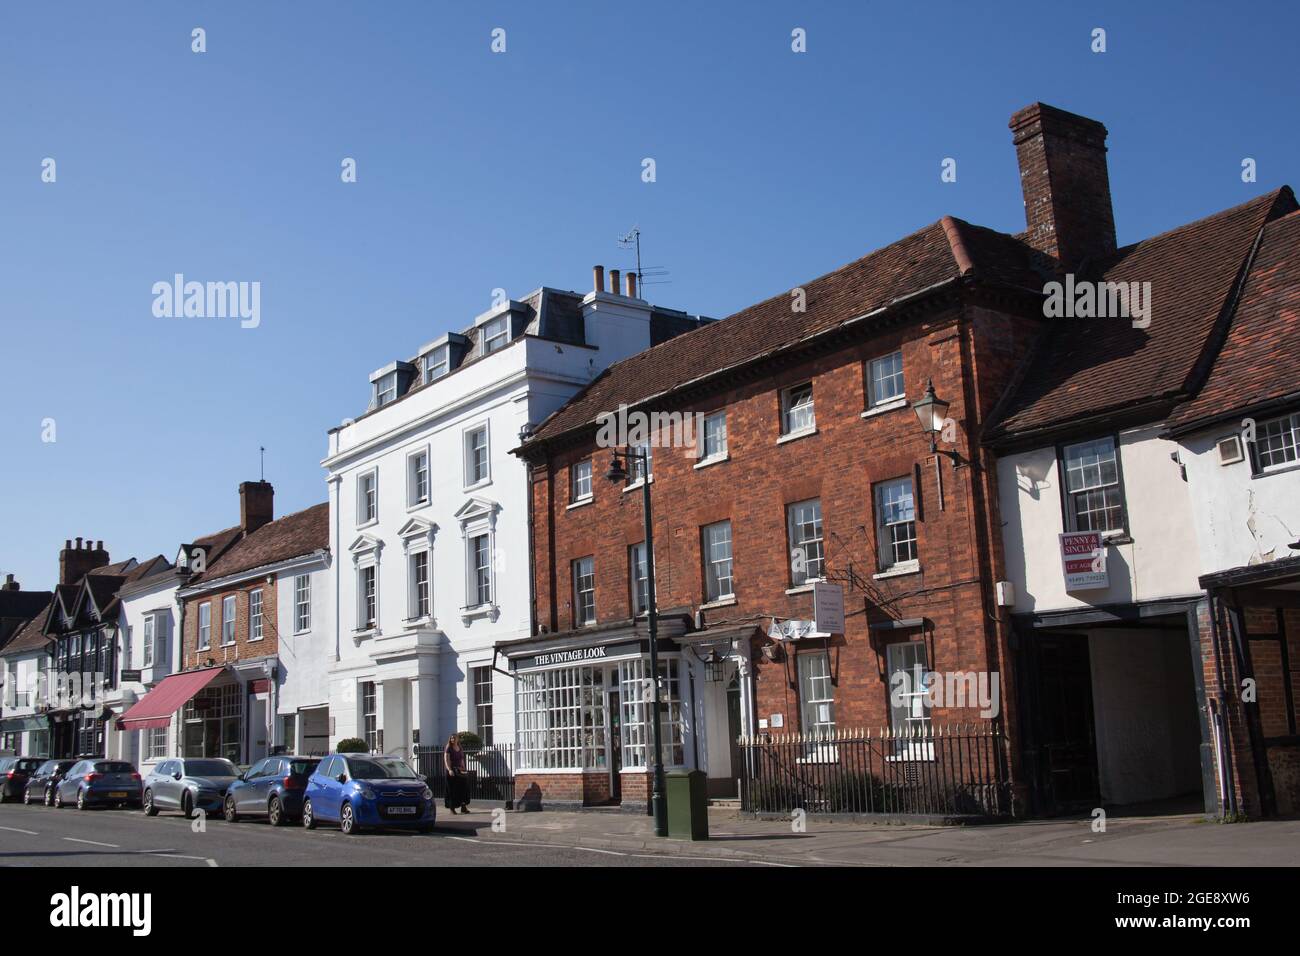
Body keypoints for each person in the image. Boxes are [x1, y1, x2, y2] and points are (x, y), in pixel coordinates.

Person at [443, 734, 470, 814]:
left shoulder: (460, 747)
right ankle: (452, 808)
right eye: (451, 738)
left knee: (463, 789)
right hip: (452, 772)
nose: (453, 739)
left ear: (457, 739)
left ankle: (463, 807)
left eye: (454, 738)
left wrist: (464, 768)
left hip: (460, 771)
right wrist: (449, 769)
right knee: (452, 790)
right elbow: (446, 759)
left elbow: (461, 759)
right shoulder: (448, 747)